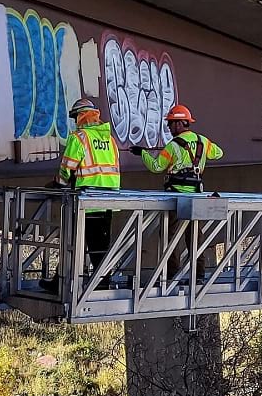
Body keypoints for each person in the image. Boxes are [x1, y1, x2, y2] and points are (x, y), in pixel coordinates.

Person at [131, 104, 223, 279]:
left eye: (170, 123)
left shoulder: (172, 146)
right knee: (195, 237)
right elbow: (218, 153)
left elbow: (156, 167)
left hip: (176, 197)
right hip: (196, 197)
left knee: (169, 236)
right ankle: (199, 275)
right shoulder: (203, 141)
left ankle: (172, 275)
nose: (169, 127)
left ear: (180, 123)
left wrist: (143, 153)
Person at [53, 98, 120, 285]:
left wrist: (59, 182)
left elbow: (67, 167)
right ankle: (101, 280)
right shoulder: (109, 139)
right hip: (109, 200)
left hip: (87, 200)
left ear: (81, 117)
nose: (75, 122)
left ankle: (63, 281)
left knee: (75, 242)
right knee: (100, 244)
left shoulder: (79, 138)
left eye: (76, 117)